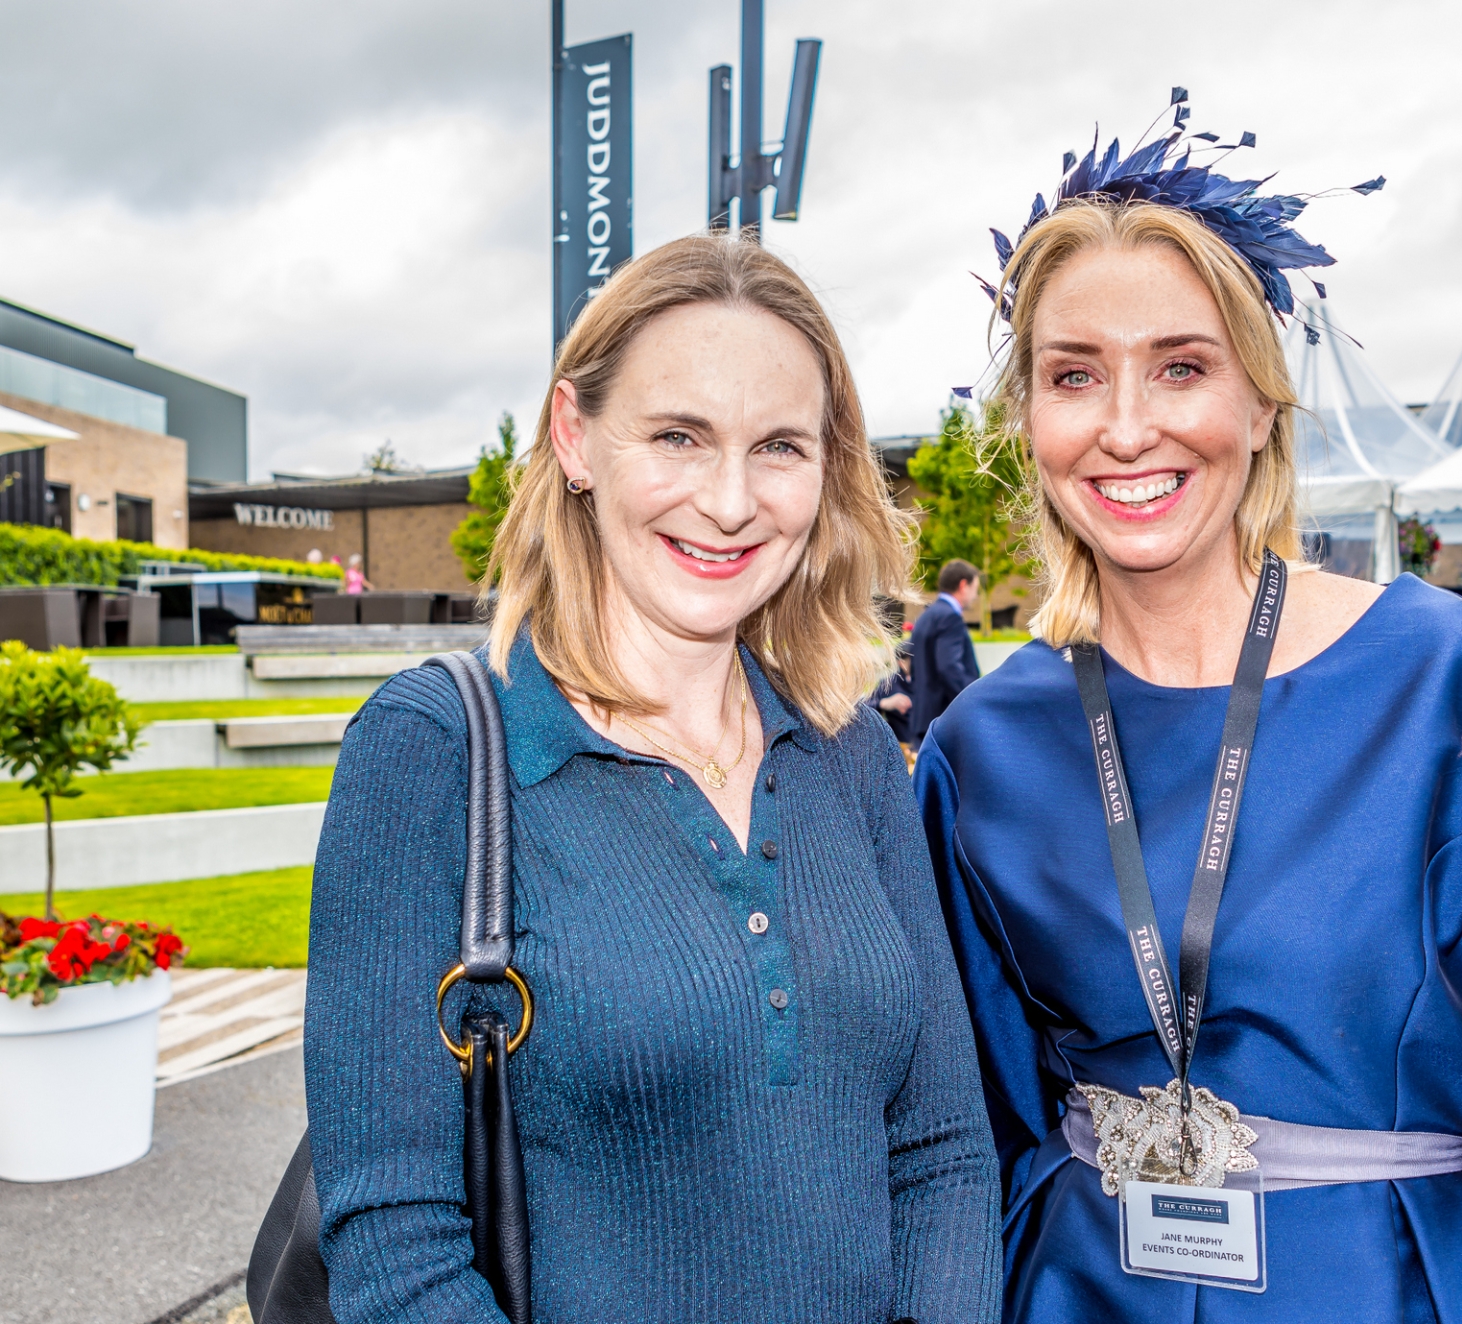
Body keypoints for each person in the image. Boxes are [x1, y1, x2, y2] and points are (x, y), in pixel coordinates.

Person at [916, 107, 1462, 1324]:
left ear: (1261, 401)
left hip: (1384, 1290)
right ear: (1030, 421)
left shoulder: (1447, 685)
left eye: (1181, 365)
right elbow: (957, 1128)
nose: (1125, 426)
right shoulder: (979, 753)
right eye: (1073, 375)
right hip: (1079, 1295)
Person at [305, 235, 1001, 1323]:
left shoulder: (852, 750)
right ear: (574, 436)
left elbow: (942, 1147)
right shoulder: (433, 746)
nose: (730, 500)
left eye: (779, 446)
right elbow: (395, 1239)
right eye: (678, 435)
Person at [907, 559, 982, 746]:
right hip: (945, 721)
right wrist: (973, 698)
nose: (975, 596)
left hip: (923, 719)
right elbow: (949, 667)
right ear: (963, 585)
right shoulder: (950, 617)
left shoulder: (926, 616)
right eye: (975, 589)